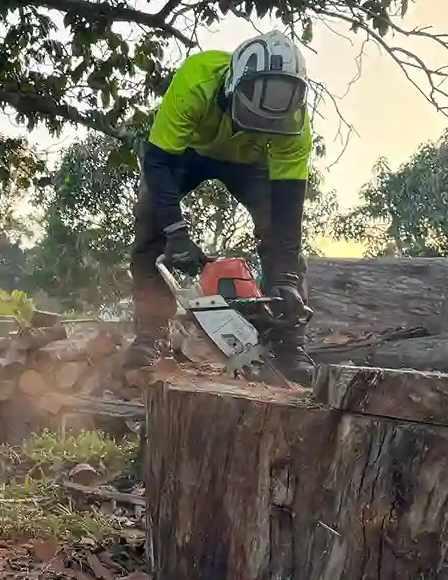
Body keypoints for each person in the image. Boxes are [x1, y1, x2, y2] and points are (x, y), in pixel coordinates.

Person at [129, 31, 314, 381]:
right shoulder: (196, 81)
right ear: (231, 88)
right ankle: (150, 335)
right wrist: (175, 232)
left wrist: (285, 277)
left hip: (252, 163)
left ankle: (289, 343)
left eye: (270, 122)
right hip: (186, 155)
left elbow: (288, 212)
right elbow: (157, 163)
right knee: (150, 225)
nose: (261, 125)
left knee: (281, 245)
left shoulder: (295, 126)